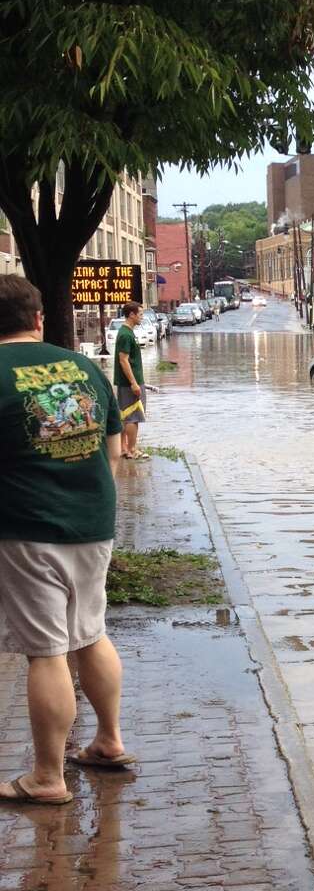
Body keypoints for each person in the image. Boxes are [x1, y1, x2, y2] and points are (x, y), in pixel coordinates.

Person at [0, 276, 134, 804]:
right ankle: (109, 740)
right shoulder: (83, 368)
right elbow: (115, 450)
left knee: (46, 651)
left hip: (27, 529)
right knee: (89, 634)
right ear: (38, 319)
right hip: (93, 523)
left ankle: (47, 777)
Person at [113, 300, 147, 459]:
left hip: (126, 382)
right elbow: (123, 360)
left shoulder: (126, 332)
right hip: (130, 383)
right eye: (140, 314)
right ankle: (132, 449)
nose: (142, 317)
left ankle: (124, 448)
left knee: (125, 416)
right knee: (133, 416)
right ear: (131, 315)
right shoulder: (126, 335)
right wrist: (134, 383)